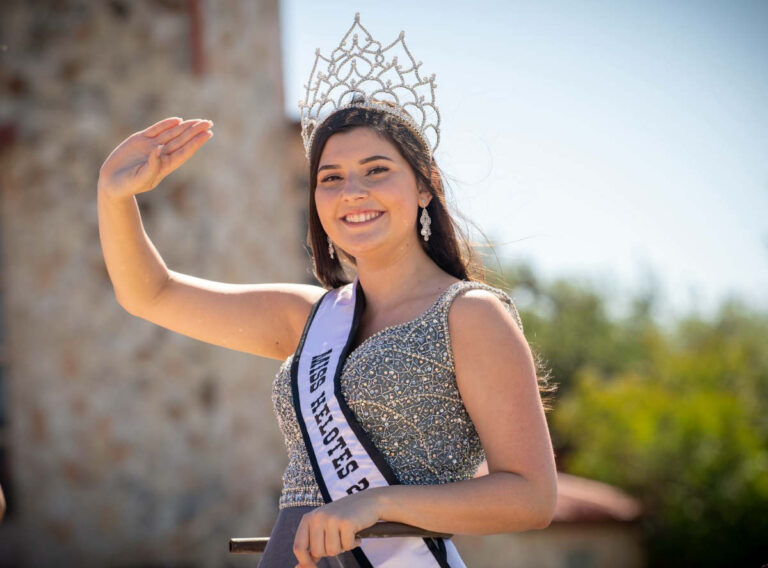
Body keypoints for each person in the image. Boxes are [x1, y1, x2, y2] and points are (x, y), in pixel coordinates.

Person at [98, 14, 557, 568]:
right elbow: (152, 294)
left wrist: (374, 504)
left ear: (425, 185)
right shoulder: (309, 317)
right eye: (330, 177)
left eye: (376, 169)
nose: (352, 192)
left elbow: (532, 497)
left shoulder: (470, 315)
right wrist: (114, 197)